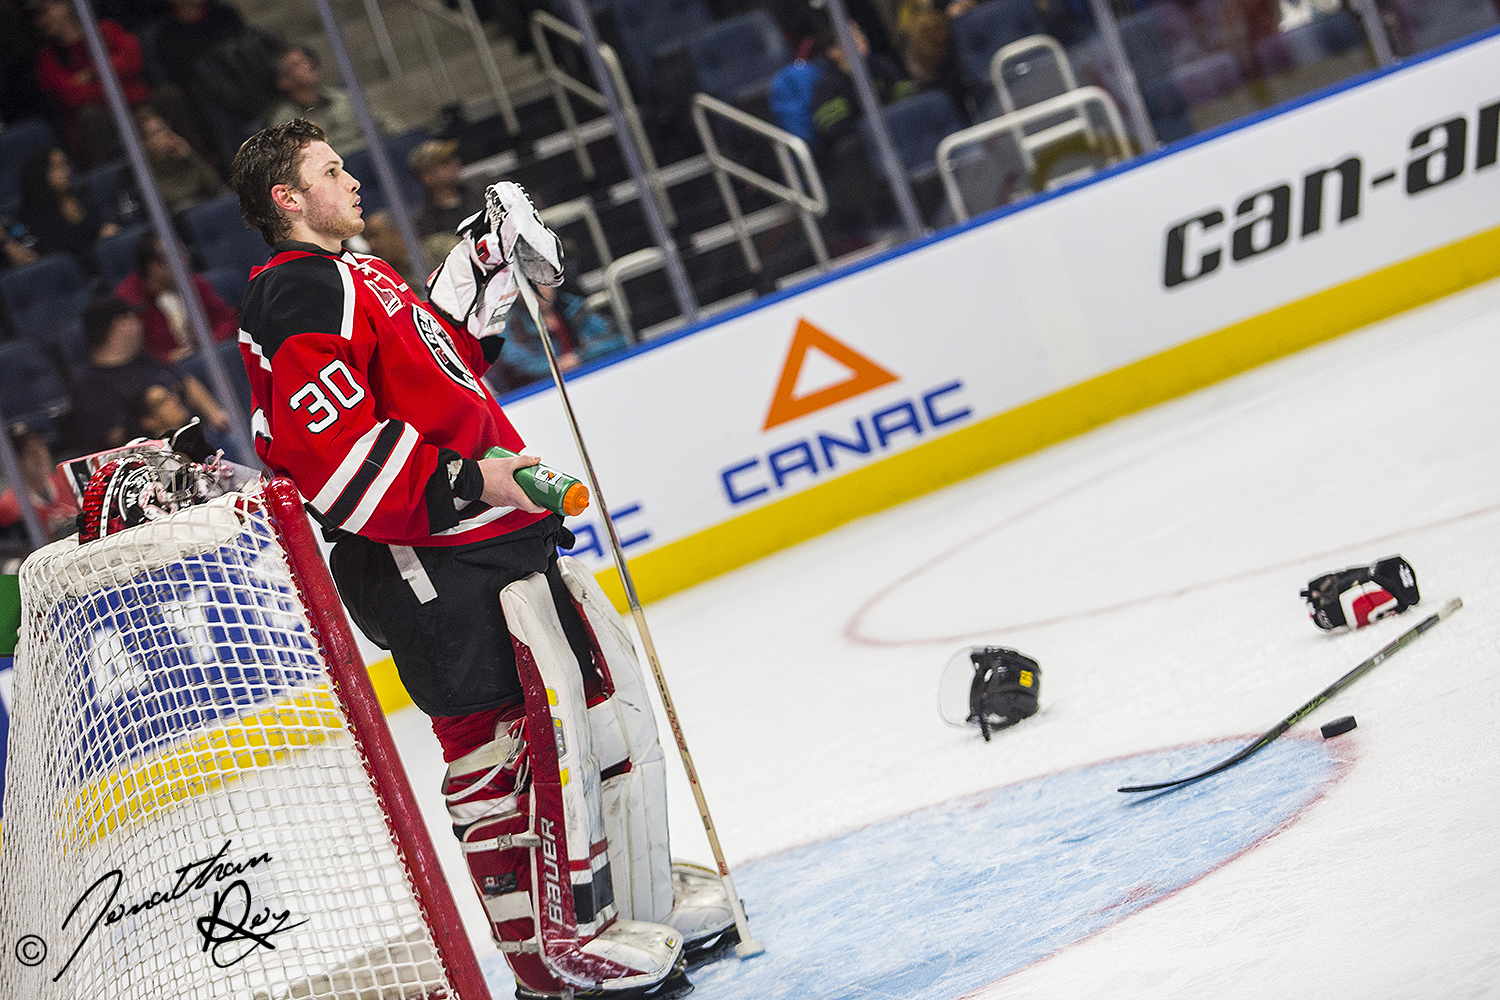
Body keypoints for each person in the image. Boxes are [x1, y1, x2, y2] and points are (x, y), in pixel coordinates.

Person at [230, 118, 733, 1000]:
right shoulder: (294, 295)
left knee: (589, 715)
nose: (352, 182)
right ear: (287, 199)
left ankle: (624, 902)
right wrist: (477, 480)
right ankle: (547, 952)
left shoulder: (362, 275)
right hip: (422, 557)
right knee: (497, 748)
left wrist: (487, 258)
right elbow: (335, 457)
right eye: (331, 171)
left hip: (486, 540)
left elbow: (446, 356)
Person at [31, 0, 204, 169]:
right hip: (103, 118)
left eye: (45, 12)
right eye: (38, 17)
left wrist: (92, 74)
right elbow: (72, 95)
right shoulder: (48, 58)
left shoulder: (106, 29)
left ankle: (200, 165)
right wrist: (117, 82)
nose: (41, 22)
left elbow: (133, 60)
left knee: (168, 95)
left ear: (66, 6)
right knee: (90, 117)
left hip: (137, 105)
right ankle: (106, 187)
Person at [67, 294, 231, 456]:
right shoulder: (90, 389)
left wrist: (215, 414)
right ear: (119, 325)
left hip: (198, 437)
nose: (140, 324)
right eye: (133, 318)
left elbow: (186, 382)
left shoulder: (143, 358)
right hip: (160, 459)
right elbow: (117, 441)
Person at [113, 231, 239, 364]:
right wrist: (167, 358)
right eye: (178, 257)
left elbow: (227, 319)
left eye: (184, 253)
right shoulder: (129, 300)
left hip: (208, 357)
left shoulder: (195, 283)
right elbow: (131, 351)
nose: (187, 260)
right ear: (155, 268)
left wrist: (210, 341)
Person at [493, 281, 628, 392]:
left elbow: (615, 338)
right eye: (532, 288)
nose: (540, 291)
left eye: (543, 284)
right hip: (546, 393)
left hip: (591, 380)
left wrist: (579, 357)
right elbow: (517, 364)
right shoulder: (512, 324)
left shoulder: (572, 307)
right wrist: (555, 366)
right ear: (519, 292)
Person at [262, 43, 393, 155]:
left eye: (307, 60)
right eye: (297, 65)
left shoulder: (342, 98)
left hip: (374, 155)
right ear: (283, 81)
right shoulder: (285, 120)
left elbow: (383, 121)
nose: (307, 65)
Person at [17, 145, 118, 263]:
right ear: (41, 174)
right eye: (57, 167)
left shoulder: (82, 195)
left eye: (65, 164)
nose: (65, 171)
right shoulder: (36, 217)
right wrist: (99, 244)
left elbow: (102, 222)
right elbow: (61, 257)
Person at [134, 105, 224, 213]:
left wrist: (191, 156)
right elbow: (175, 200)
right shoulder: (145, 172)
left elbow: (217, 188)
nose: (167, 133)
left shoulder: (183, 155)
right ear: (145, 144)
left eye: (165, 127)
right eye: (158, 132)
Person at [0, 422, 78, 542]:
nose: (39, 455)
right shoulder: (9, 507)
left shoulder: (67, 482)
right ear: (15, 463)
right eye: (29, 452)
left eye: (40, 446)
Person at [409, 137, 483, 253]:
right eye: (445, 162)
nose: (456, 162)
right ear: (426, 177)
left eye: (453, 158)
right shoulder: (425, 223)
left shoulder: (483, 185)